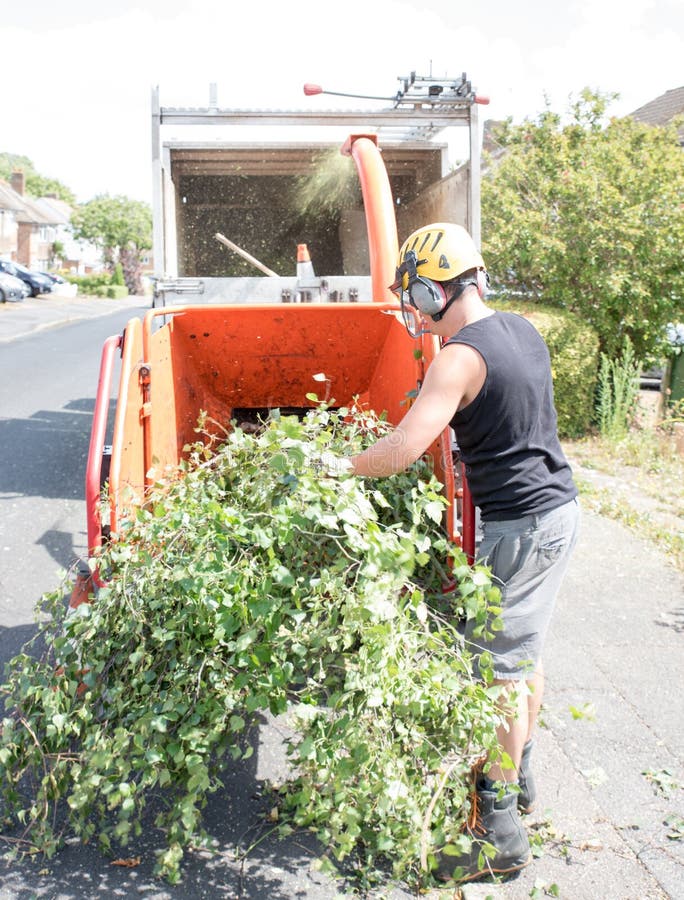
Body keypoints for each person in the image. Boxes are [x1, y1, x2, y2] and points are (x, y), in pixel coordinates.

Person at [342, 222, 580, 883]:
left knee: (499, 673)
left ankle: (498, 828)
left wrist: (336, 466)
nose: (414, 309)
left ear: (433, 290)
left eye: (415, 295)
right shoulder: (522, 330)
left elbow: (400, 450)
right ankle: (519, 775)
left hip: (521, 527)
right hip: (559, 510)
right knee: (524, 655)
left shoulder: (457, 358)